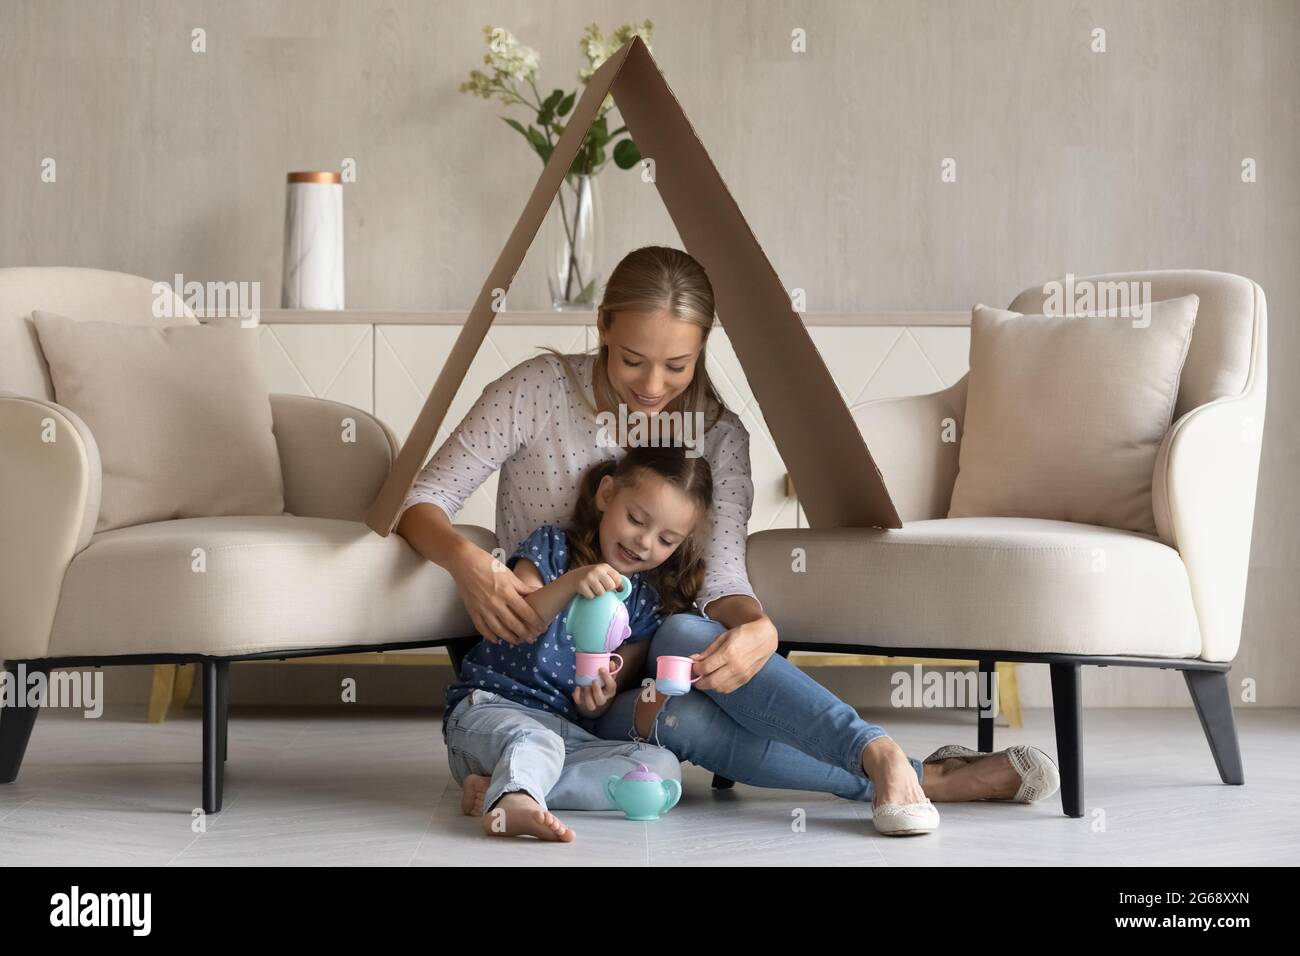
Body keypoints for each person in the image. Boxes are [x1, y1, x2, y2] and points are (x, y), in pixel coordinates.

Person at [398, 245, 1058, 837]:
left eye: (676, 366)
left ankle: (881, 754)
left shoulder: (718, 436)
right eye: (632, 360)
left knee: (684, 653)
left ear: (703, 349)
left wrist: (757, 630)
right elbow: (421, 499)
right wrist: (469, 564)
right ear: (602, 326)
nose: (652, 387)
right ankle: (924, 774)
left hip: (642, 666)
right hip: (537, 662)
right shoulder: (537, 393)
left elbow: (721, 582)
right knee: (674, 667)